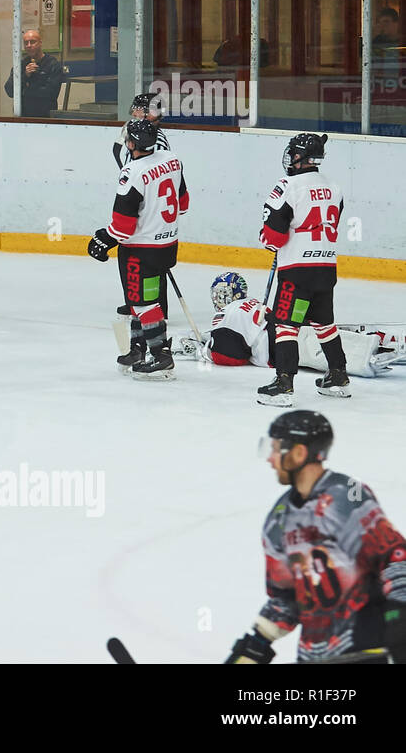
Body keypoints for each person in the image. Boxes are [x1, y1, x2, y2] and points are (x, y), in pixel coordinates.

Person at [225, 411, 406, 665]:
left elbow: (394, 557)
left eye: (276, 449)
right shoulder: (278, 520)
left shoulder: (347, 498)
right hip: (314, 655)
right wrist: (257, 644)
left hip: (369, 647)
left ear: (299, 453)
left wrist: (400, 615)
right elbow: (287, 596)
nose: (270, 459)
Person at [87, 118, 189, 380]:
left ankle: (161, 356)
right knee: (142, 299)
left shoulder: (132, 172)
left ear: (131, 143)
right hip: (166, 244)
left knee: (143, 303)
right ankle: (137, 349)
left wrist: (102, 240)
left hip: (140, 249)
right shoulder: (172, 159)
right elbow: (183, 202)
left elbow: (122, 227)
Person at [257, 134, 348, 407]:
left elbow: (273, 236)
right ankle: (338, 375)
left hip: (296, 272)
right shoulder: (334, 187)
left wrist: (266, 240)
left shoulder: (287, 186)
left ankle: (284, 384)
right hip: (325, 269)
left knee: (285, 324)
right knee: (324, 323)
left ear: (300, 158)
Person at [174, 272, 402, 378]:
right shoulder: (251, 303)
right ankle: (384, 339)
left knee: (346, 354)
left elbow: (231, 356)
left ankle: (373, 351)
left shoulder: (226, 314)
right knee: (328, 334)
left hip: (281, 348)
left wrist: (203, 352)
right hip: (290, 326)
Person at [112, 93, 176, 317]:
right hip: (142, 202)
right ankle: (135, 301)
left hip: (149, 209)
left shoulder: (154, 138)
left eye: (140, 109)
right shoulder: (138, 130)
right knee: (144, 263)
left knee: (145, 262)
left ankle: (156, 306)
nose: (134, 112)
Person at [3, 29, 65, 117]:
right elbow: (9, 91)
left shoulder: (52, 64)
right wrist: (25, 76)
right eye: (26, 43)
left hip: (45, 117)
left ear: (40, 43)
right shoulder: (20, 65)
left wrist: (26, 89)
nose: (29, 45)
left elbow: (51, 93)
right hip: (23, 116)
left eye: (32, 42)